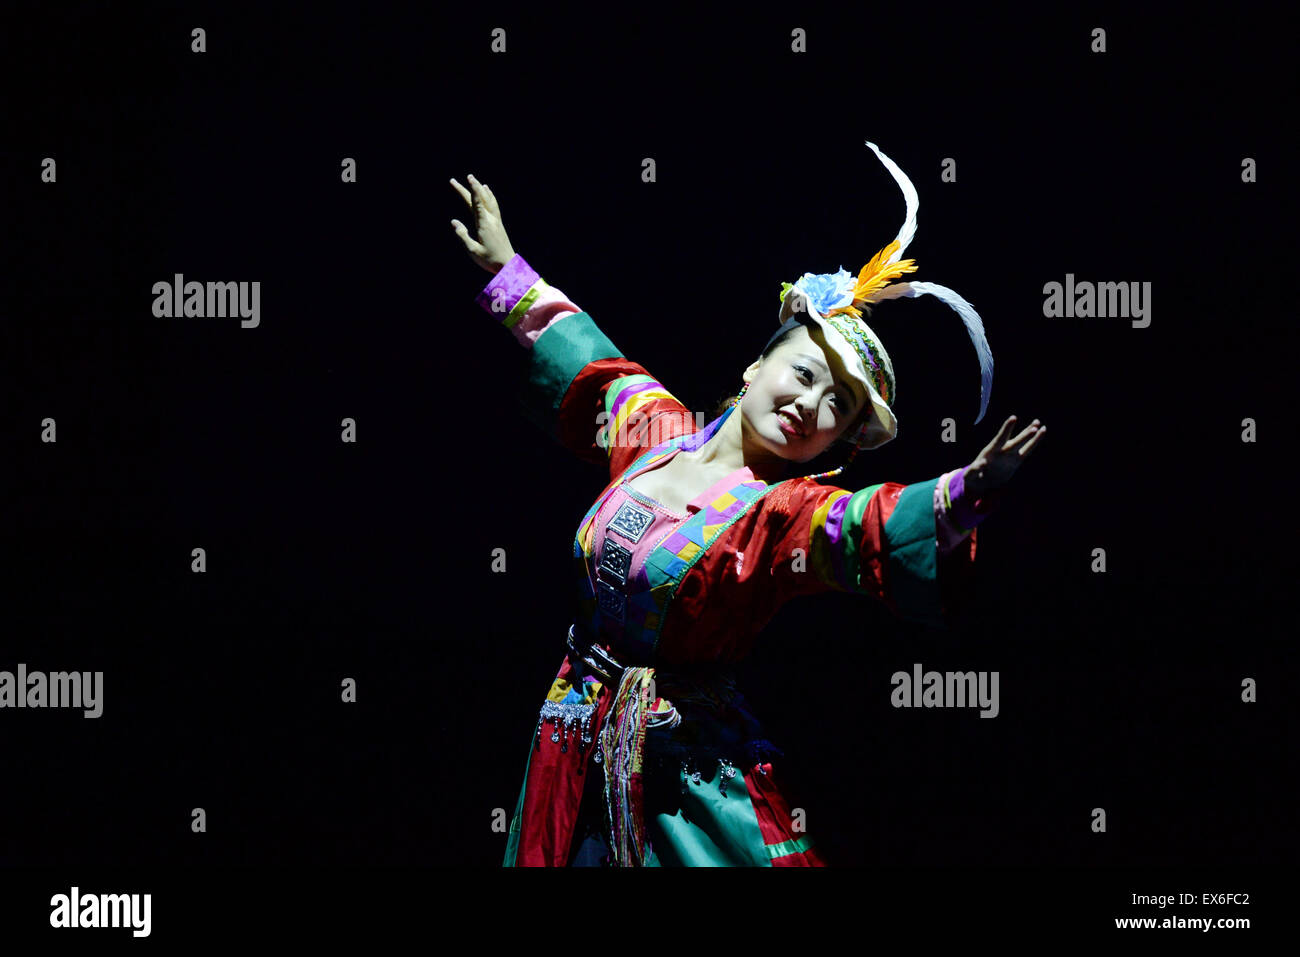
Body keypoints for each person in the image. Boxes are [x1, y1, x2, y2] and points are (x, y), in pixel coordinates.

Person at [450, 143, 1046, 866]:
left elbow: (863, 525)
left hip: (683, 781)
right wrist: (504, 266)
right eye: (804, 373)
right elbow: (585, 356)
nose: (809, 404)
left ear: (841, 441)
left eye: (838, 406)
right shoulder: (653, 432)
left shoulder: (779, 513)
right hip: (572, 735)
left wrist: (959, 495)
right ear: (756, 364)